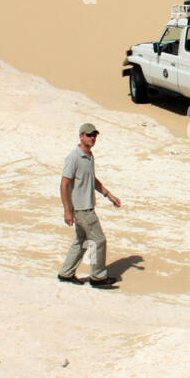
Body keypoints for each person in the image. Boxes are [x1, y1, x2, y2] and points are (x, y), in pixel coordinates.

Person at [57, 122, 121, 288]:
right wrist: (67, 211)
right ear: (81, 136)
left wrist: (109, 195)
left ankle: (66, 273)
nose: (92, 138)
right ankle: (98, 277)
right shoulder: (74, 157)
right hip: (81, 209)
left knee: (82, 240)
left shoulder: (89, 156)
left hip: (85, 207)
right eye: (89, 135)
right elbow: (64, 184)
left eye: (94, 135)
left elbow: (92, 180)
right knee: (98, 241)